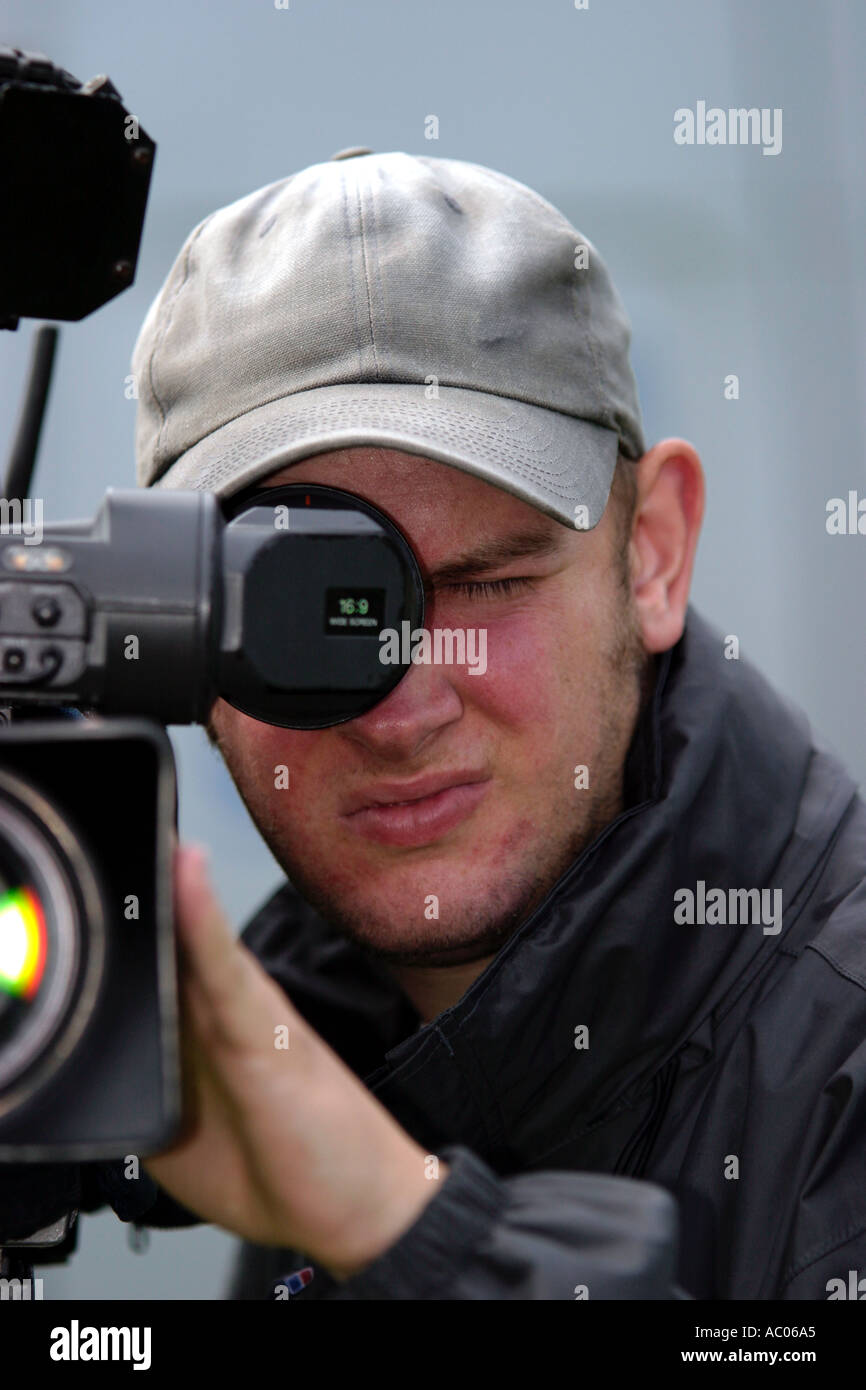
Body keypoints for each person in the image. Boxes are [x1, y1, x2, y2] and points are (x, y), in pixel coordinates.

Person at [7, 149, 865, 1301]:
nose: (403, 708)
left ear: (651, 552)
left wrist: (407, 1226)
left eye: (484, 582)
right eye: (305, 619)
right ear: (181, 645)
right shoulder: (332, 1064)